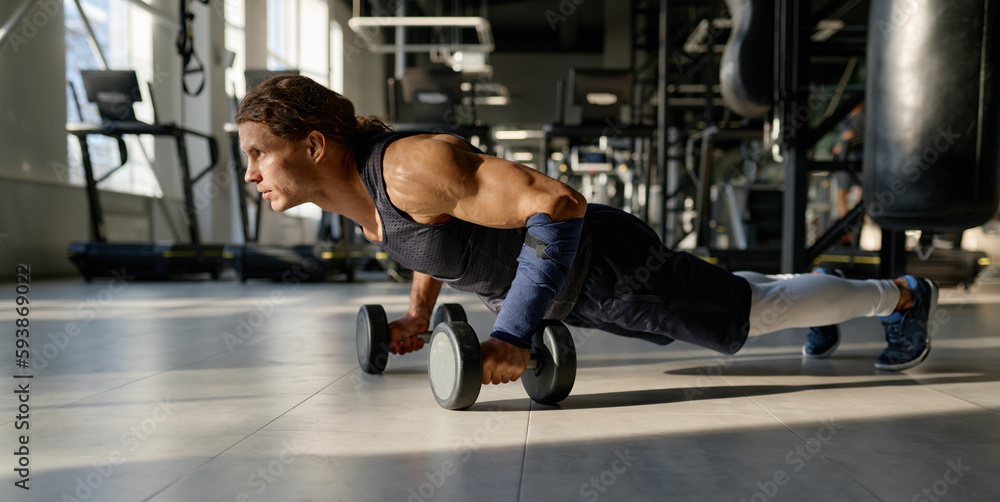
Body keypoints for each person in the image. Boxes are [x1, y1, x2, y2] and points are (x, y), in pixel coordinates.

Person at [234, 76, 938, 386]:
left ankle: (902, 295)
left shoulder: (409, 166)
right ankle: (830, 304)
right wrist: (419, 313)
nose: (250, 174)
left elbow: (559, 204)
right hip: (576, 295)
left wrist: (512, 330)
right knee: (739, 300)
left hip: (605, 263)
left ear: (315, 144)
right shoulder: (362, 201)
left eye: (257, 153)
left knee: (747, 315)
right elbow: (434, 239)